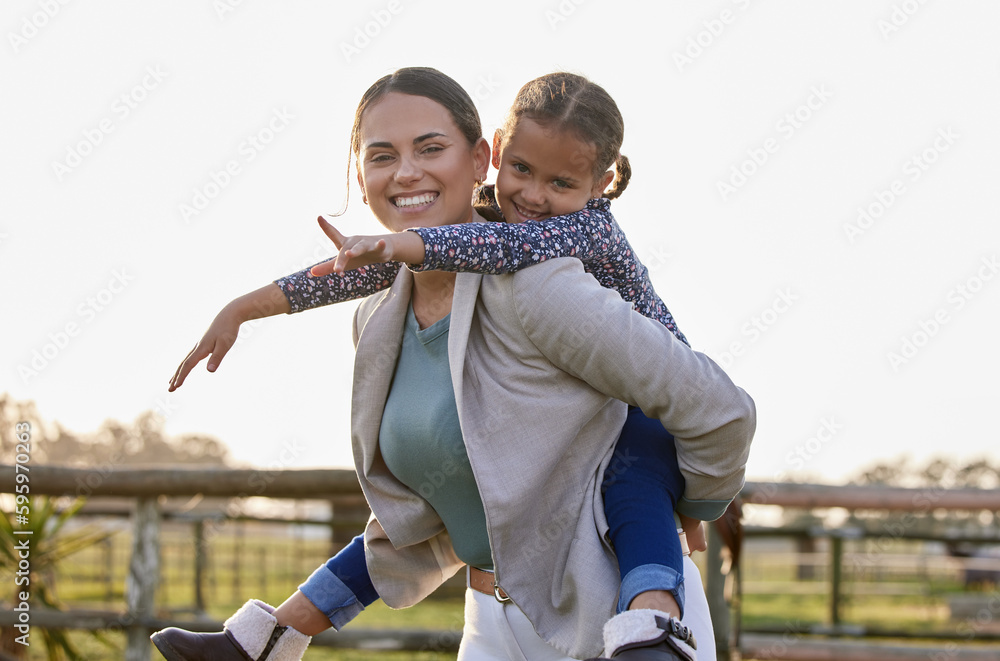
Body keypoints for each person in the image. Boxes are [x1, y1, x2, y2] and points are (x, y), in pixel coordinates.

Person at [153, 67, 754, 661]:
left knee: (641, 463)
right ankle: (264, 642)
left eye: (430, 148)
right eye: (382, 154)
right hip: (492, 623)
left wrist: (696, 503)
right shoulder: (381, 314)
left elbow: (719, 411)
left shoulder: (541, 269)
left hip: (603, 625)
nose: (407, 170)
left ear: (476, 158)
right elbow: (438, 508)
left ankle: (655, 614)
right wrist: (241, 308)